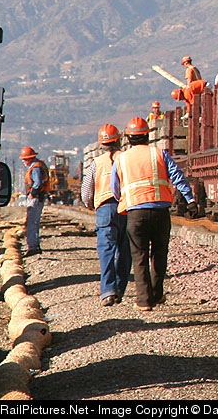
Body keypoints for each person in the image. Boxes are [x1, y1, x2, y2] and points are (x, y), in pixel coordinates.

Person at [111, 117, 197, 311]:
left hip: (135, 214)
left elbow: (115, 188)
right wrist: (190, 200)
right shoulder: (159, 154)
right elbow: (177, 176)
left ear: (128, 138)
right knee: (159, 254)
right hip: (160, 212)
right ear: (147, 136)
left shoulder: (121, 159)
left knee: (139, 256)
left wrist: (126, 199)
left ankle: (143, 300)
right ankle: (157, 295)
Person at [80, 124, 131, 306]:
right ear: (119, 140)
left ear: (102, 144)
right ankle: (119, 289)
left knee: (106, 251)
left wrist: (90, 204)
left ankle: (108, 291)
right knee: (125, 250)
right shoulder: (126, 158)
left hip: (104, 209)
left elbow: (86, 191)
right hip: (126, 207)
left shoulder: (96, 162)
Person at [19, 146, 47, 256]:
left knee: (31, 222)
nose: (23, 161)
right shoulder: (38, 165)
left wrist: (32, 194)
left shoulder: (35, 168)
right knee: (34, 222)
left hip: (36, 197)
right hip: (38, 197)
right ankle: (34, 245)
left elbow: (38, 183)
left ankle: (33, 247)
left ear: (29, 158)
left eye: (24, 159)